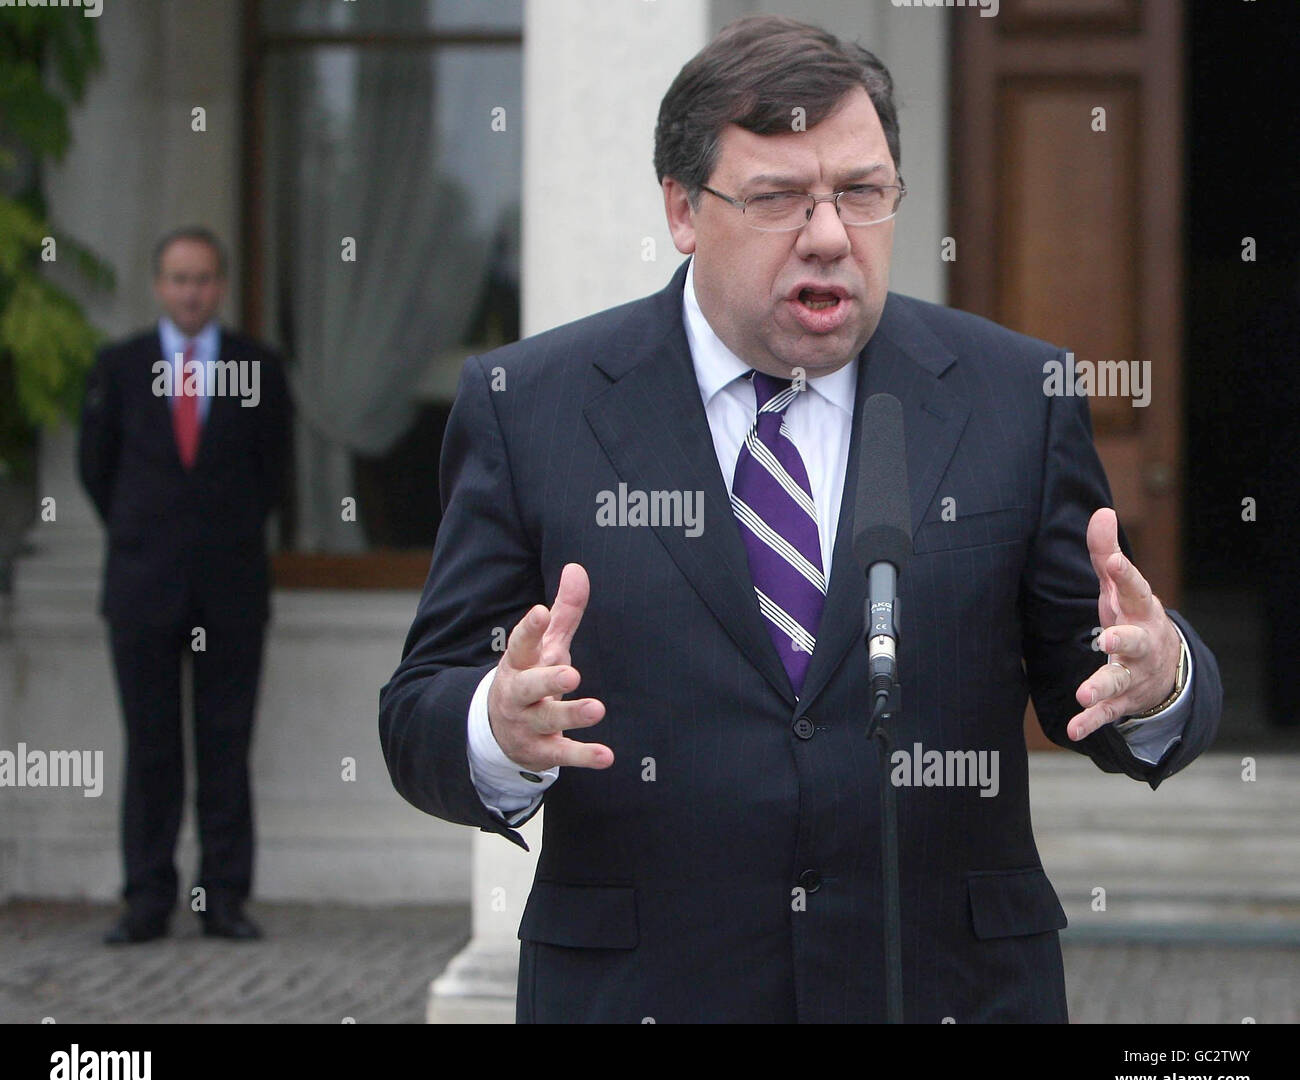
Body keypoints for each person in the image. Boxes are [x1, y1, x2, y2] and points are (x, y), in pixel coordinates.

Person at [379, 16, 1222, 1022]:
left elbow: (1091, 676)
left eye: (862, 193)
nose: (829, 234)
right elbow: (417, 709)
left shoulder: (1012, 394)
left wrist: (1159, 677)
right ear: (683, 209)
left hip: (946, 989)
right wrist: (498, 725)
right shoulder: (533, 404)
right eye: (778, 197)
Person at [78, 227, 291, 944]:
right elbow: (96, 470)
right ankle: (146, 896)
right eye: (178, 278)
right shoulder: (120, 365)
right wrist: (153, 536)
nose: (191, 290)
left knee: (226, 747)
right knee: (150, 747)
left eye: (203, 278)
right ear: (158, 285)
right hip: (142, 590)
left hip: (230, 592)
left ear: (221, 286)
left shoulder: (258, 366)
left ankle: (223, 898)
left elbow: (274, 477)